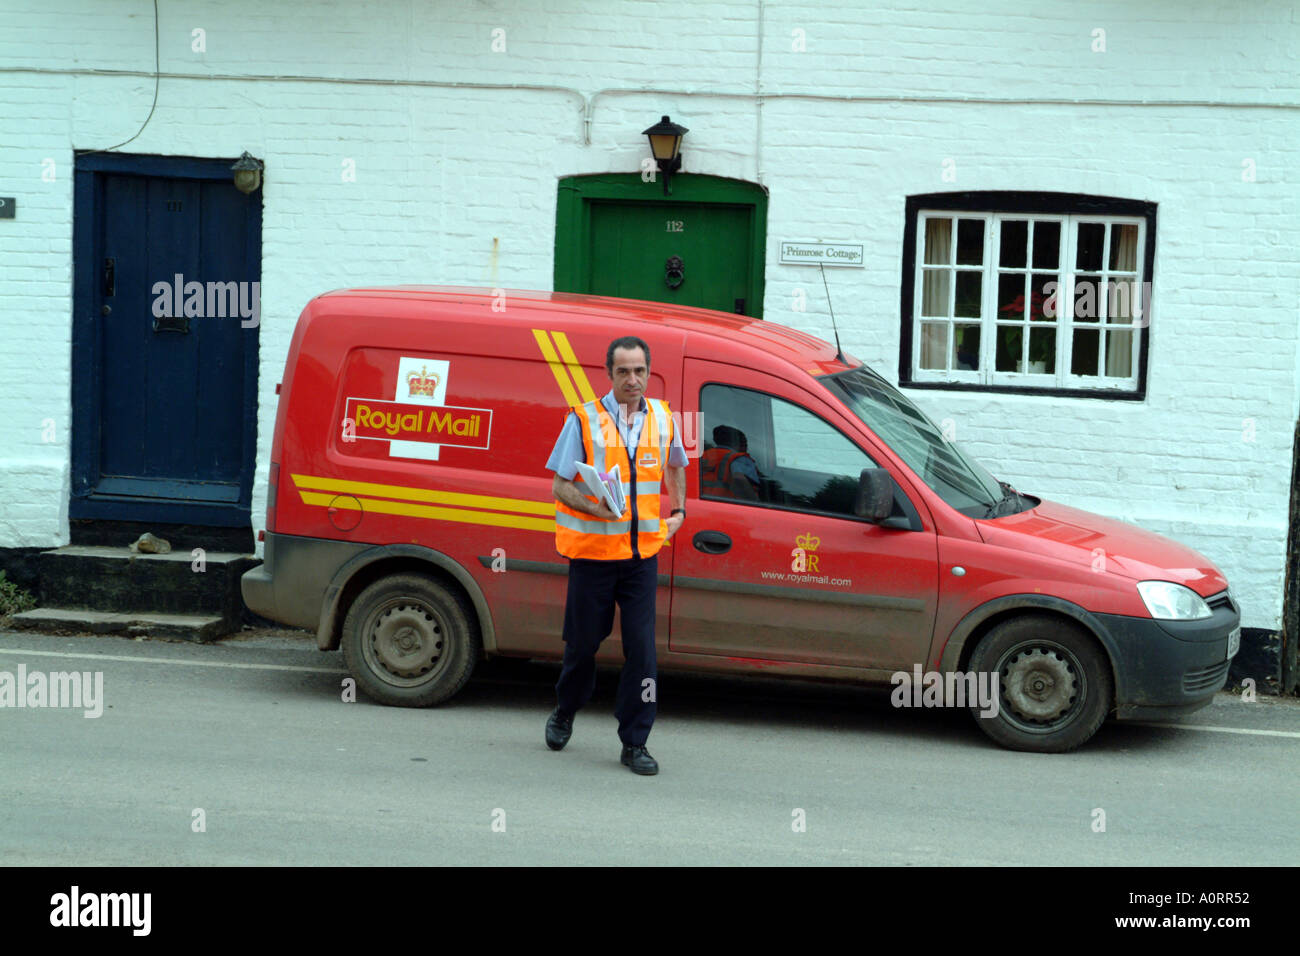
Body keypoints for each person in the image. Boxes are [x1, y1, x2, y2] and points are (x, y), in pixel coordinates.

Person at [544, 335, 687, 775]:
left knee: (643, 653)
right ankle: (566, 710)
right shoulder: (583, 419)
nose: (632, 379)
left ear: (649, 372)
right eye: (623, 371)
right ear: (609, 373)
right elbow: (560, 485)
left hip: (641, 556)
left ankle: (635, 741)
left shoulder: (663, 417)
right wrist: (594, 508)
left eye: (639, 370)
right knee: (582, 646)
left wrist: (679, 511)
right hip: (593, 556)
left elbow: (676, 464)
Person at [700, 425, 761, 500]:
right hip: (727, 503)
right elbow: (739, 478)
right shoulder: (738, 458)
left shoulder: (703, 456)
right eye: (745, 444)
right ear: (737, 442)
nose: (746, 448)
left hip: (703, 502)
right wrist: (755, 500)